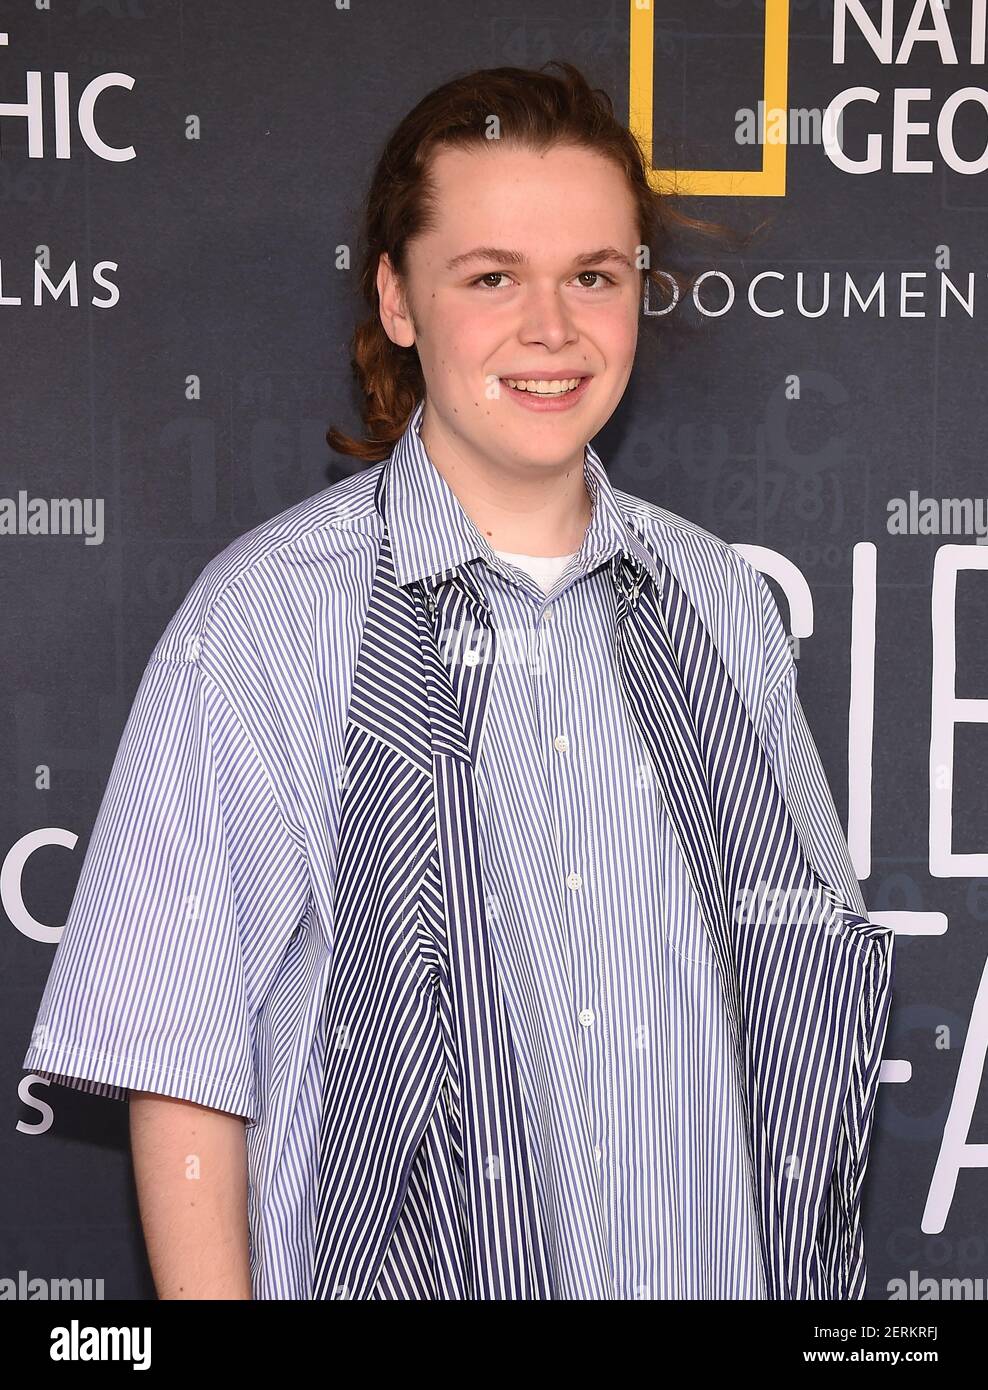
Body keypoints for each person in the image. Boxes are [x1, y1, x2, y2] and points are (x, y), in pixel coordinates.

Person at [22, 61, 894, 1301]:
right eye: (492, 278)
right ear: (396, 299)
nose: (553, 330)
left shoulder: (722, 607)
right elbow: (182, 1064)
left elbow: (810, 991)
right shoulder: (270, 620)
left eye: (593, 275)